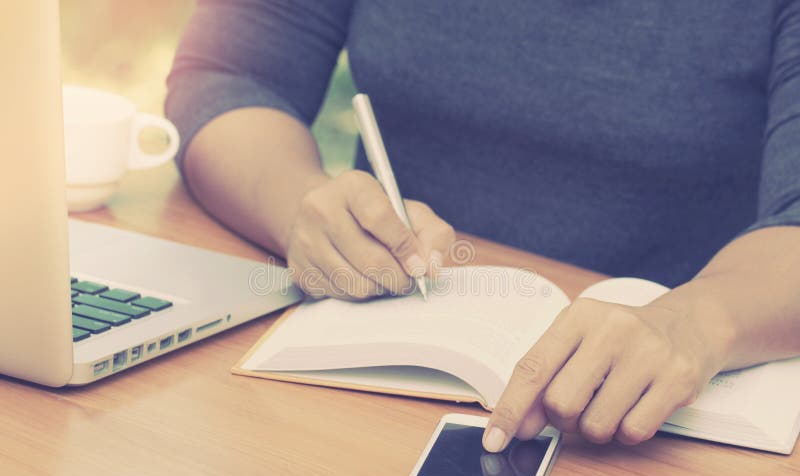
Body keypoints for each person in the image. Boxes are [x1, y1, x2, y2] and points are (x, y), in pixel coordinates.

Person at [166, 1, 800, 451]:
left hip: (664, 428)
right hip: (366, 379)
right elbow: (228, 75)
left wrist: (697, 321)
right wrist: (300, 206)